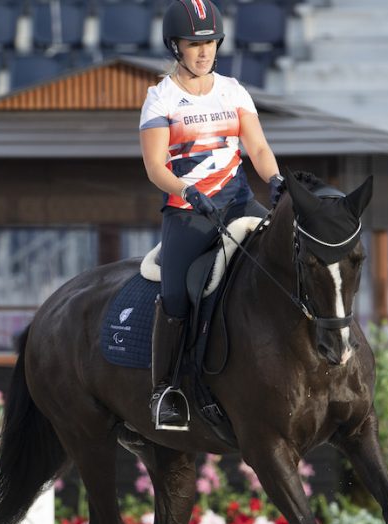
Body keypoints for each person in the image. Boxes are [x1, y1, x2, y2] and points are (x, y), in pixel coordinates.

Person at [139, 0, 284, 431]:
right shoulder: (160, 98)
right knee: (178, 295)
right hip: (190, 210)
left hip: (238, 200)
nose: (204, 52)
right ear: (175, 47)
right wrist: (187, 190)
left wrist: (274, 180)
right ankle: (164, 391)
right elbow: (155, 167)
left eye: (210, 43)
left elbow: (256, 148)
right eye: (193, 44)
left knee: (279, 260)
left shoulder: (233, 90)